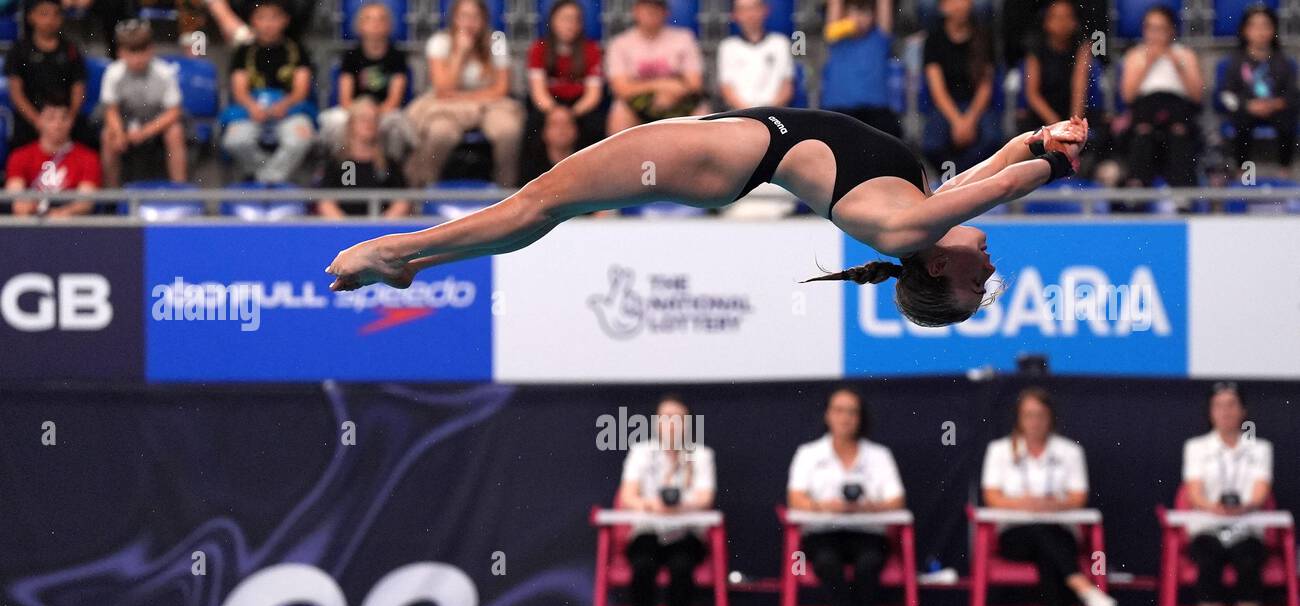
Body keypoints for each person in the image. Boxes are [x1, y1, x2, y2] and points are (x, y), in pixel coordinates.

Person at [325, 110, 1088, 331]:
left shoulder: (904, 229)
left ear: (933, 268)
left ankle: (401, 252)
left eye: (975, 286)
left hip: (715, 159)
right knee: (546, 207)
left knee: (541, 202)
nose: (991, 271)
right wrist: (1032, 141)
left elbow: (1002, 192)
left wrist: (1053, 165)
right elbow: (992, 177)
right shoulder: (917, 210)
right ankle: (410, 259)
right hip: (722, 150)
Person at [980, 387, 1117, 606]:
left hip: (1059, 529)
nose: (1035, 422)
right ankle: (1083, 588)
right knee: (1044, 539)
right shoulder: (999, 451)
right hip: (1015, 535)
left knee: (1048, 549)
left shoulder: (1069, 451)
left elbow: (1078, 497)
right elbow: (992, 497)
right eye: (1028, 415)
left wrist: (1049, 506)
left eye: (1040, 415)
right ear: (1018, 419)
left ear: (1051, 418)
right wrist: (1028, 504)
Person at [787, 387, 905, 606]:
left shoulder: (879, 456)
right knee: (827, 562)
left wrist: (866, 507)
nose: (845, 418)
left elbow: (897, 500)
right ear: (828, 415)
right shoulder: (808, 453)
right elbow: (795, 498)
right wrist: (826, 506)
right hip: (824, 531)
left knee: (870, 563)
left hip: (867, 531)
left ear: (860, 417)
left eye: (852, 411)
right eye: (839, 410)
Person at [617, 395, 716, 606]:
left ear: (687, 423)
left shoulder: (701, 455)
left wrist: (680, 505)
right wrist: (651, 505)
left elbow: (705, 497)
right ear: (657, 423)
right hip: (649, 529)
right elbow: (627, 495)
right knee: (642, 565)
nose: (671, 424)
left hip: (685, 533)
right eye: (665, 418)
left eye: (678, 418)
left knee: (681, 566)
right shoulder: (641, 452)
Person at [1181, 382, 1274, 606]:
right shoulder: (1196, 447)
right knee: (1208, 562)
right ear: (1210, 412)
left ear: (1243, 410)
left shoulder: (1260, 448)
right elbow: (1193, 491)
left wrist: (1244, 507)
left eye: (1232, 405)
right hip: (1208, 527)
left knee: (1248, 562)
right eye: (1219, 406)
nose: (1226, 411)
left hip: (1246, 527)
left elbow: (1261, 489)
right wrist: (1215, 508)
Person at [404, 0, 525, 188]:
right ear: (454, 19)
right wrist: (460, 53)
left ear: (484, 19)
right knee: (439, 133)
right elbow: (443, 88)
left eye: (475, 17)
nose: (469, 23)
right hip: (447, 108)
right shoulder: (439, 42)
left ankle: (506, 190)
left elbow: (501, 88)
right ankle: (422, 190)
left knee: (507, 131)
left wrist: (463, 98)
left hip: (490, 105)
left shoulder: (498, 42)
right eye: (464, 17)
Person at [220, 0, 316, 184]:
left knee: (300, 139)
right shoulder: (243, 51)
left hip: (289, 110)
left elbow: (301, 90)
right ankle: (272, 178)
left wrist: (284, 105)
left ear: (285, 20)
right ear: (253, 21)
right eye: (262, 18)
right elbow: (239, 90)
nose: (268, 24)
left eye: (274, 18)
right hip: (251, 110)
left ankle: (262, 180)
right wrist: (252, 107)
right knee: (235, 141)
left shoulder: (297, 49)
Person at [1118, 5, 1202, 189]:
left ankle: (1183, 192)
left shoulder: (1185, 55)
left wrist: (1178, 65)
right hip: (1145, 109)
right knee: (1143, 132)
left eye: (1161, 28)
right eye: (1151, 28)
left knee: (1179, 132)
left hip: (1177, 108)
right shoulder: (1135, 55)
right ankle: (1137, 188)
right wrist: (1148, 63)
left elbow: (1197, 96)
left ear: (1171, 30)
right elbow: (1127, 97)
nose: (1156, 34)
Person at [318, 1, 413, 163]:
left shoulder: (397, 57)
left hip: (385, 111)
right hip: (354, 110)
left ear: (389, 26)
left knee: (396, 125)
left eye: (381, 19)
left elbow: (394, 99)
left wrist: (373, 115)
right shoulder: (351, 56)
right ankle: (340, 166)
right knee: (333, 121)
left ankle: (390, 169)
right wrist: (361, 116)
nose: (375, 24)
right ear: (360, 26)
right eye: (369, 19)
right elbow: (345, 99)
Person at [523, 0, 605, 181]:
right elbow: (538, 91)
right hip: (548, 103)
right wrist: (555, 112)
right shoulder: (539, 49)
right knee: (532, 127)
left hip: (579, 105)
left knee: (595, 126)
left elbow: (593, 94)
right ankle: (526, 182)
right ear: (552, 21)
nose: (570, 24)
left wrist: (572, 113)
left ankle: (596, 182)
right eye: (565, 19)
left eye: (575, 20)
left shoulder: (591, 50)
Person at [99, 19, 187, 186]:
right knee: (107, 136)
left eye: (142, 51)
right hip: (125, 123)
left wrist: (145, 132)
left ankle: (180, 190)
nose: (137, 58)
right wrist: (118, 133)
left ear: (151, 49)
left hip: (156, 123)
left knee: (175, 131)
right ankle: (112, 197)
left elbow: (174, 112)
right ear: (121, 53)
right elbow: (111, 110)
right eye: (131, 52)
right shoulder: (113, 73)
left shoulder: (164, 72)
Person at [604, 0, 709, 134]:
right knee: (619, 112)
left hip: (679, 100)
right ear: (635, 11)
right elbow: (621, 89)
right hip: (636, 104)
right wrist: (661, 85)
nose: (651, 12)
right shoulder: (620, 43)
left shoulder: (684, 38)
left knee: (701, 113)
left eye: (656, 7)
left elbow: (695, 84)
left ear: (666, 12)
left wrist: (671, 93)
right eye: (646, 7)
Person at [922, 0, 1001, 173]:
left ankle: (972, 178)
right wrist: (957, 121)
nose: (960, 5)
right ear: (942, 7)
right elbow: (937, 89)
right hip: (946, 107)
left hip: (977, 107)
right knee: (931, 143)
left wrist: (969, 120)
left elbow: (985, 86)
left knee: (992, 138)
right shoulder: (934, 39)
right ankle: (950, 180)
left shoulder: (984, 36)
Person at [1215, 4, 1297, 170]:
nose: (1260, 31)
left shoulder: (1284, 62)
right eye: (1254, 26)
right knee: (1241, 122)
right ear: (1245, 30)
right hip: (1246, 109)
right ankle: (1243, 172)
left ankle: (1285, 170)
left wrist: (1275, 104)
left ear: (1274, 30)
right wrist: (1247, 105)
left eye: (1265, 25)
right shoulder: (1233, 62)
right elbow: (1225, 95)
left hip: (1275, 110)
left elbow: (1293, 94)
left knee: (1288, 121)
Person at [3, 0, 90, 151]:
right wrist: (38, 121)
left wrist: (68, 119)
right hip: (30, 120)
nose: (50, 19)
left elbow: (78, 88)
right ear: (31, 17)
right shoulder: (18, 51)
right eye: (44, 14)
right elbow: (16, 92)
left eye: (56, 14)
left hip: (65, 119)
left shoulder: (71, 50)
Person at [5, 93, 101, 216]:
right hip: (32, 224)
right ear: (39, 121)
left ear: (71, 121)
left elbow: (84, 204)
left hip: (70, 225)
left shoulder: (88, 158)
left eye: (64, 118)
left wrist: (61, 214)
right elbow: (18, 201)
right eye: (51, 118)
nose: (58, 124)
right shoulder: (19, 157)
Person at [316, 98, 412, 219]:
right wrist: (348, 228)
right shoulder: (337, 163)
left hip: (382, 231)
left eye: (374, 119)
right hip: (345, 232)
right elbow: (326, 203)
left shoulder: (389, 164)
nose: (369, 124)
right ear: (351, 124)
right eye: (363, 119)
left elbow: (402, 202)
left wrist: (380, 227)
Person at [819, 0, 898, 137]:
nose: (860, 18)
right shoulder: (836, 40)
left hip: (876, 112)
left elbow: (884, 4)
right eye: (854, 12)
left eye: (866, 13)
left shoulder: (880, 38)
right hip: (838, 111)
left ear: (874, 16)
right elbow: (834, 4)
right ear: (843, 16)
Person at [1020, 0, 1092, 131]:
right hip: (1043, 114)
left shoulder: (1083, 48)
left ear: (1075, 22)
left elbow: (1079, 89)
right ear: (1046, 22)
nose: (1062, 23)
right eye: (1057, 17)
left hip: (1071, 111)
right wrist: (1055, 124)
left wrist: (1074, 124)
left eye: (1067, 17)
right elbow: (1032, 94)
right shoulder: (1035, 49)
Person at [717, 0, 794, 111]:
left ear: (765, 10)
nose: (750, 14)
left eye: (754, 8)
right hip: (739, 115)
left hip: (774, 114)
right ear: (734, 15)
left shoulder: (781, 43)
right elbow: (726, 89)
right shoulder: (727, 47)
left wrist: (767, 113)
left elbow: (786, 87)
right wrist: (749, 113)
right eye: (743, 9)